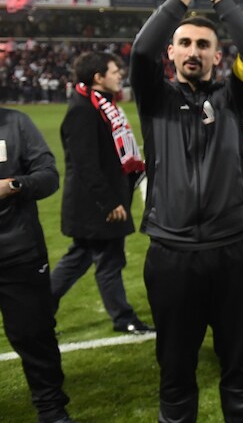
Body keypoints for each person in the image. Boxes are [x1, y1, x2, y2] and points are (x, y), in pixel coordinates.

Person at [130, 0, 243, 423]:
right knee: (176, 371)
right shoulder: (154, 97)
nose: (193, 50)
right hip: (172, 256)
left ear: (215, 55)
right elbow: (141, 49)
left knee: (238, 369)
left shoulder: (235, 98)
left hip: (232, 252)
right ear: (173, 53)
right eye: (184, 43)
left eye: (203, 44)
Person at [50, 51, 152, 335]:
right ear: (98, 77)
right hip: (96, 206)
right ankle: (123, 318)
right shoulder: (84, 109)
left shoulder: (99, 105)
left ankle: (38, 309)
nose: (120, 74)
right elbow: (85, 164)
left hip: (95, 204)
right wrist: (109, 202)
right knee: (108, 262)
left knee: (79, 259)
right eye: (114, 70)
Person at [0, 107, 75, 423]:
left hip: (18, 252)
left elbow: (49, 175)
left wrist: (14, 185)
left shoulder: (16, 123)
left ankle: (51, 409)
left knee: (34, 334)